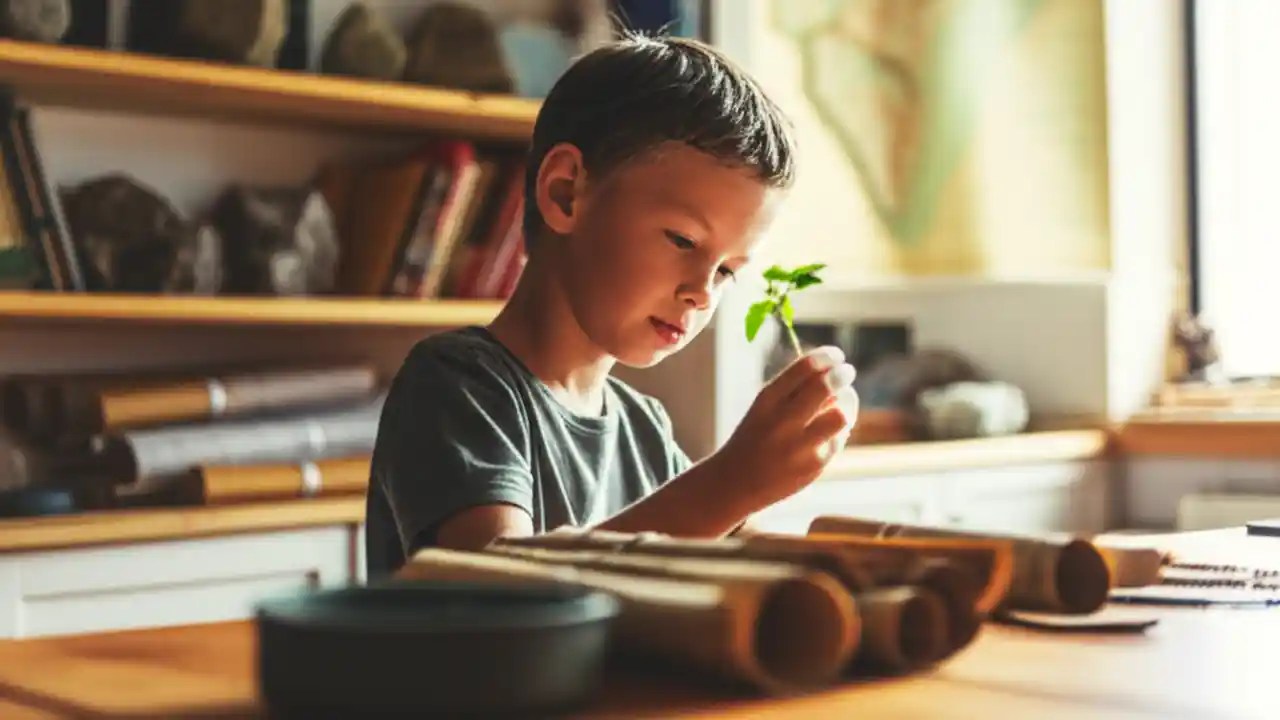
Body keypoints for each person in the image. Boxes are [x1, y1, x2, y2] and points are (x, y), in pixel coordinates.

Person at [365, 33, 858, 578]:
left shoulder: (644, 428)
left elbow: (739, 557)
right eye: (683, 240)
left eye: (726, 271)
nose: (704, 291)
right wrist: (730, 483)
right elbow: (500, 595)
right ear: (565, 194)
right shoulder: (458, 387)